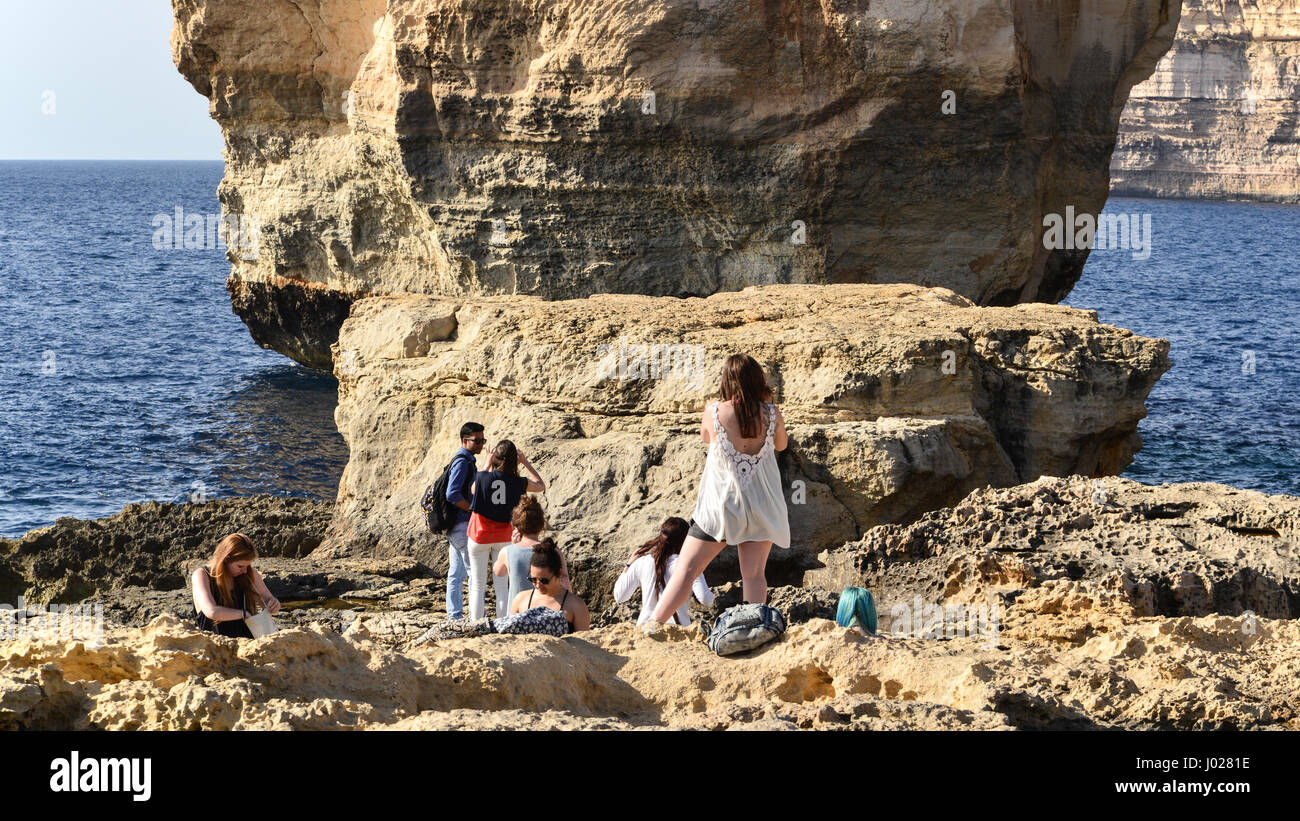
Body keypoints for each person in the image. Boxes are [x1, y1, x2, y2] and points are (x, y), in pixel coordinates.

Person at [650, 353, 789, 625]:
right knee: (754, 575)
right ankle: (754, 629)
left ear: (727, 380)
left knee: (687, 570)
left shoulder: (714, 411)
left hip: (720, 506)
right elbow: (781, 445)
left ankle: (654, 624)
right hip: (762, 504)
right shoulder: (771, 413)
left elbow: (705, 437)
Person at [466, 440, 545, 619]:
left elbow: (473, 489)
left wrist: (486, 462)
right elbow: (540, 485)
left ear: (495, 458)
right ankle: (502, 622)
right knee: (501, 586)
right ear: (514, 460)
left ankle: (475, 625)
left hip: (480, 535)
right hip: (504, 537)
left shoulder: (482, 477)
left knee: (477, 585)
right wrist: (525, 462)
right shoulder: (519, 482)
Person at [614, 516, 714, 626]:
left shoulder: (642, 562)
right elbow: (705, 599)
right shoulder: (689, 565)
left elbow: (620, 596)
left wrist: (628, 565)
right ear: (686, 540)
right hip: (676, 630)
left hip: (645, 629)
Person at [191, 533, 280, 639]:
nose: (245, 570)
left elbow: (269, 601)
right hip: (215, 646)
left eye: (248, 565)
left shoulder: (249, 574)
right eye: (240, 566)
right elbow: (212, 611)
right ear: (226, 559)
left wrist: (274, 604)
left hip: (248, 645)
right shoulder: (202, 575)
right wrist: (244, 614)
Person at [492, 495, 570, 616]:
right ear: (541, 525)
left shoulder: (507, 551)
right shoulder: (553, 550)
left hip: (518, 615)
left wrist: (514, 545)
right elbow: (564, 580)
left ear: (516, 526)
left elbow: (498, 571)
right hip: (549, 614)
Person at [440, 422, 485, 620]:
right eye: (477, 441)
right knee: (474, 573)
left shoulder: (466, 460)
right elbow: (452, 493)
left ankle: (455, 616)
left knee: (456, 574)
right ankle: (477, 618)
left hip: (455, 525)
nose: (481, 445)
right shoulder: (462, 462)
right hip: (461, 524)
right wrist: (472, 508)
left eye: (483, 440)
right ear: (464, 440)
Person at [507, 539, 590, 633]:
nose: (538, 585)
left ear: (559, 573)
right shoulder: (520, 599)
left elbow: (584, 644)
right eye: (533, 579)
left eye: (544, 580)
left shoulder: (575, 605)